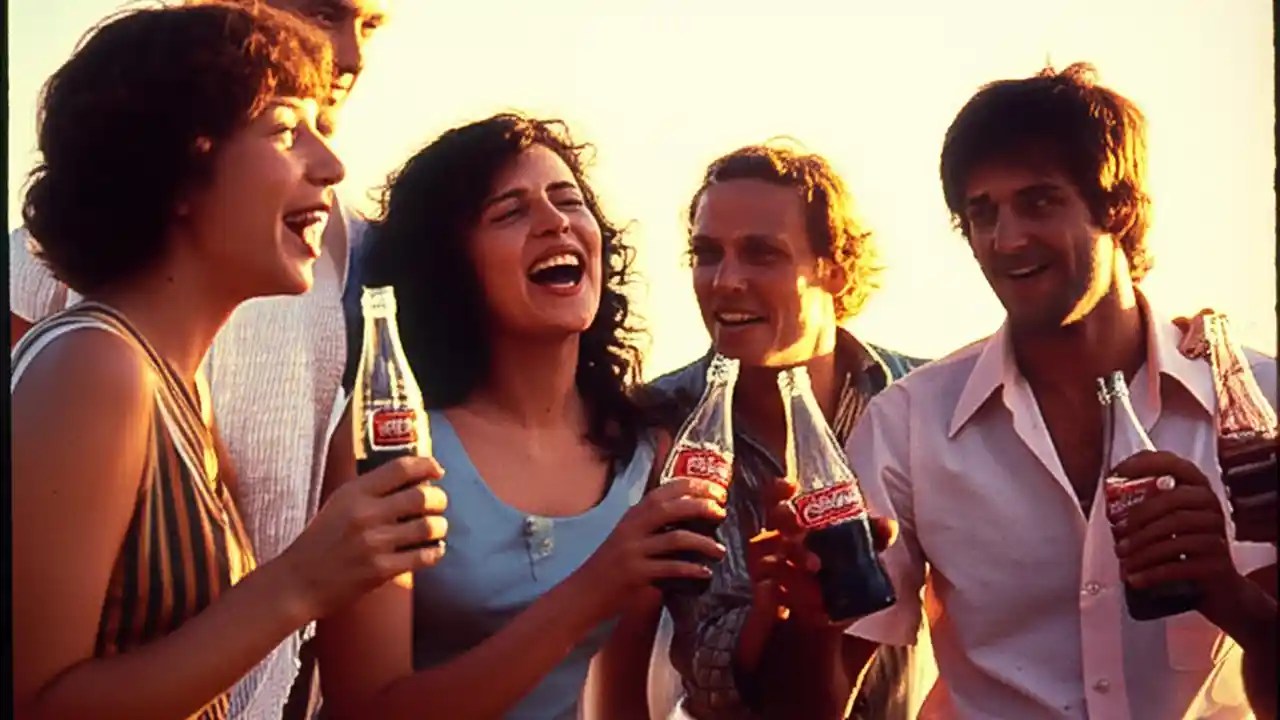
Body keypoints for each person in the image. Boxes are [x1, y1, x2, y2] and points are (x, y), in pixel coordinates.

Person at [756, 63, 1277, 719]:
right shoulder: (909, 424)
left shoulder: (1258, 405)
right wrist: (804, 618)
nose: (1006, 240)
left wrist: (1228, 594)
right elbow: (815, 703)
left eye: (1038, 202)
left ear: (1117, 208)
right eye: (982, 214)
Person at [10, 5, 446, 719]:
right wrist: (303, 581)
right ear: (179, 169)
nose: (331, 166)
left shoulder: (169, 382)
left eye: (321, 133)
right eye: (283, 132)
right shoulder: (95, 368)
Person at [314, 113, 728, 720]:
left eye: (569, 201)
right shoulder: (393, 441)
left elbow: (620, 701)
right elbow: (365, 708)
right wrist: (592, 588)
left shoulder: (645, 451)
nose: (556, 222)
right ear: (449, 265)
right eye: (511, 212)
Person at [646, 143, 930, 720]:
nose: (726, 281)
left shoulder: (920, 400)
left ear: (835, 267)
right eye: (707, 254)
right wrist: (770, 610)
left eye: (761, 254)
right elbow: (697, 670)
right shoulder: (655, 422)